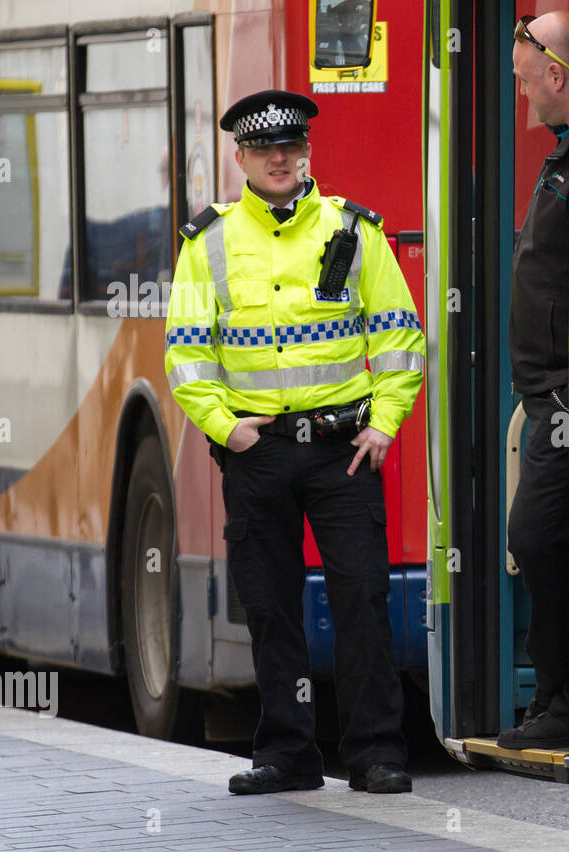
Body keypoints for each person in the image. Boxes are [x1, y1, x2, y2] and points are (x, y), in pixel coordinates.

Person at [164, 89, 425, 795]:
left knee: (363, 599)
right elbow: (186, 356)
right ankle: (288, 752)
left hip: (343, 446)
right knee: (272, 603)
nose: (280, 159)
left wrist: (384, 422)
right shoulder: (207, 242)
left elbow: (400, 336)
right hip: (259, 450)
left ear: (306, 153)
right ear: (241, 157)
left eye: (291, 147)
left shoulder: (354, 230)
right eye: (265, 149)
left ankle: (374, 752)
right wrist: (228, 428)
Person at [500, 10, 569, 751]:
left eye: (526, 86)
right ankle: (563, 696)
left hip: (566, 397)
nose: (524, 103)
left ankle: (562, 699)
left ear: (557, 75)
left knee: (535, 533)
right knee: (542, 534)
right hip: (548, 394)